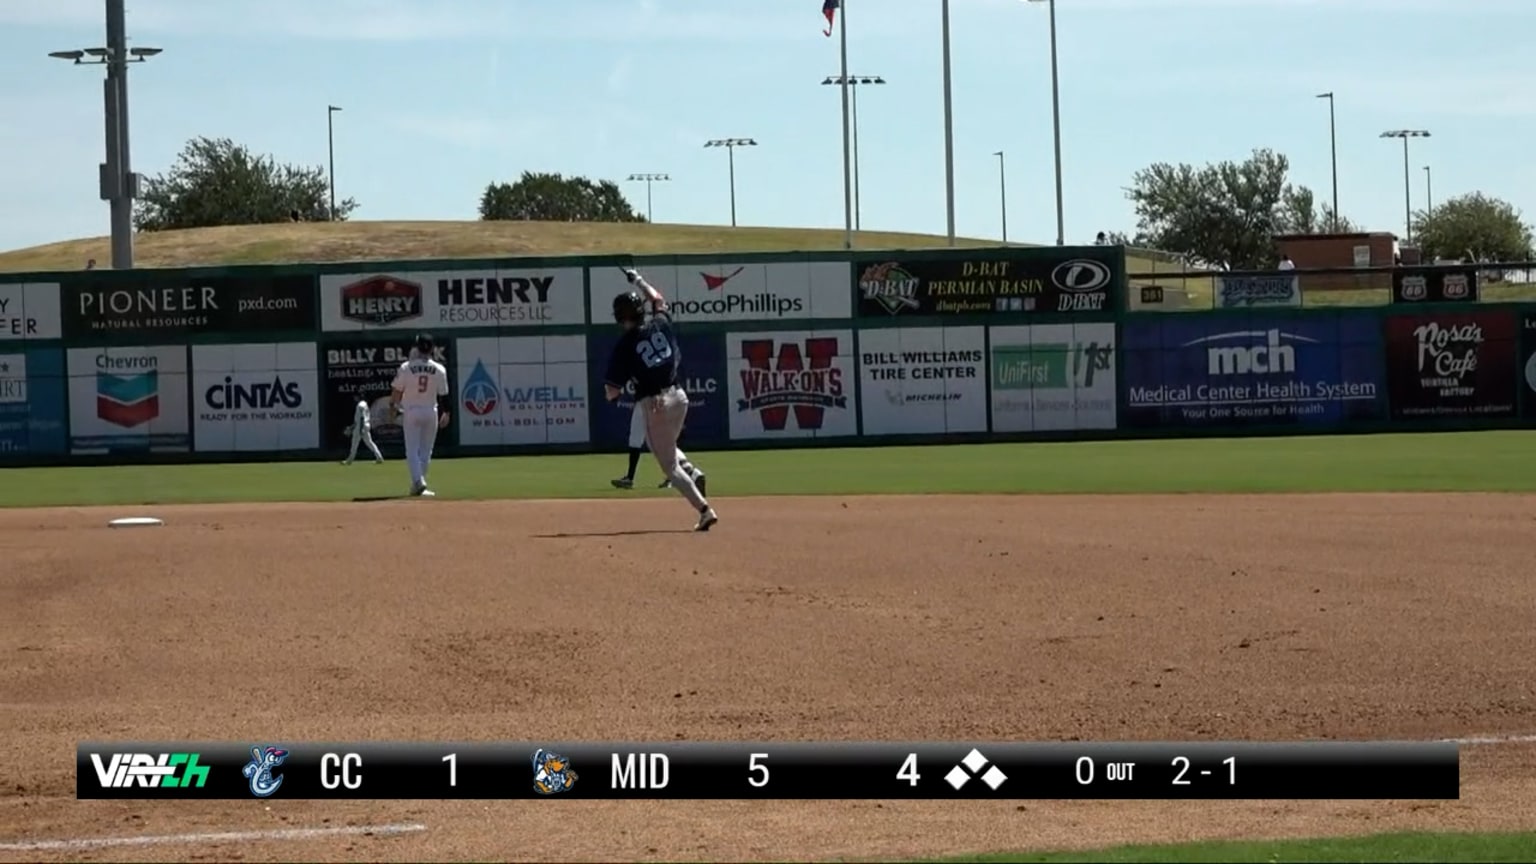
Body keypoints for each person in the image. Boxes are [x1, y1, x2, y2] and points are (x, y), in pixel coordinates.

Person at [604, 269, 717, 531]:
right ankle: (693, 470)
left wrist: (629, 383)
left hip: (654, 404)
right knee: (668, 446)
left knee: (668, 466)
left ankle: (704, 509)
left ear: (620, 317)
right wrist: (639, 280)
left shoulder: (624, 346)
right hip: (680, 398)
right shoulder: (660, 324)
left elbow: (612, 392)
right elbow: (658, 299)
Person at [388, 333, 451, 497]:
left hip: (412, 411)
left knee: (412, 450)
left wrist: (393, 407)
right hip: (431, 411)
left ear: (416, 347)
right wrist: (447, 412)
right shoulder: (439, 369)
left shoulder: (406, 367)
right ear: (432, 349)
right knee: (426, 451)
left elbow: (397, 390)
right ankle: (418, 483)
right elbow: (444, 395)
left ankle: (419, 482)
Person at [612, 387, 703, 493]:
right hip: (665, 399)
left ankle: (687, 471)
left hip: (650, 401)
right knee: (660, 441)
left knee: (643, 440)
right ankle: (685, 470)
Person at [342, 395, 384, 465]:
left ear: (358, 397)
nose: (354, 398)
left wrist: (361, 429)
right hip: (364, 426)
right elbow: (357, 420)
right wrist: (351, 428)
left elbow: (361, 418)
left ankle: (350, 460)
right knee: (369, 443)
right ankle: (379, 457)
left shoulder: (360, 405)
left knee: (355, 443)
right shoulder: (364, 404)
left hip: (361, 427)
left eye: (356, 397)